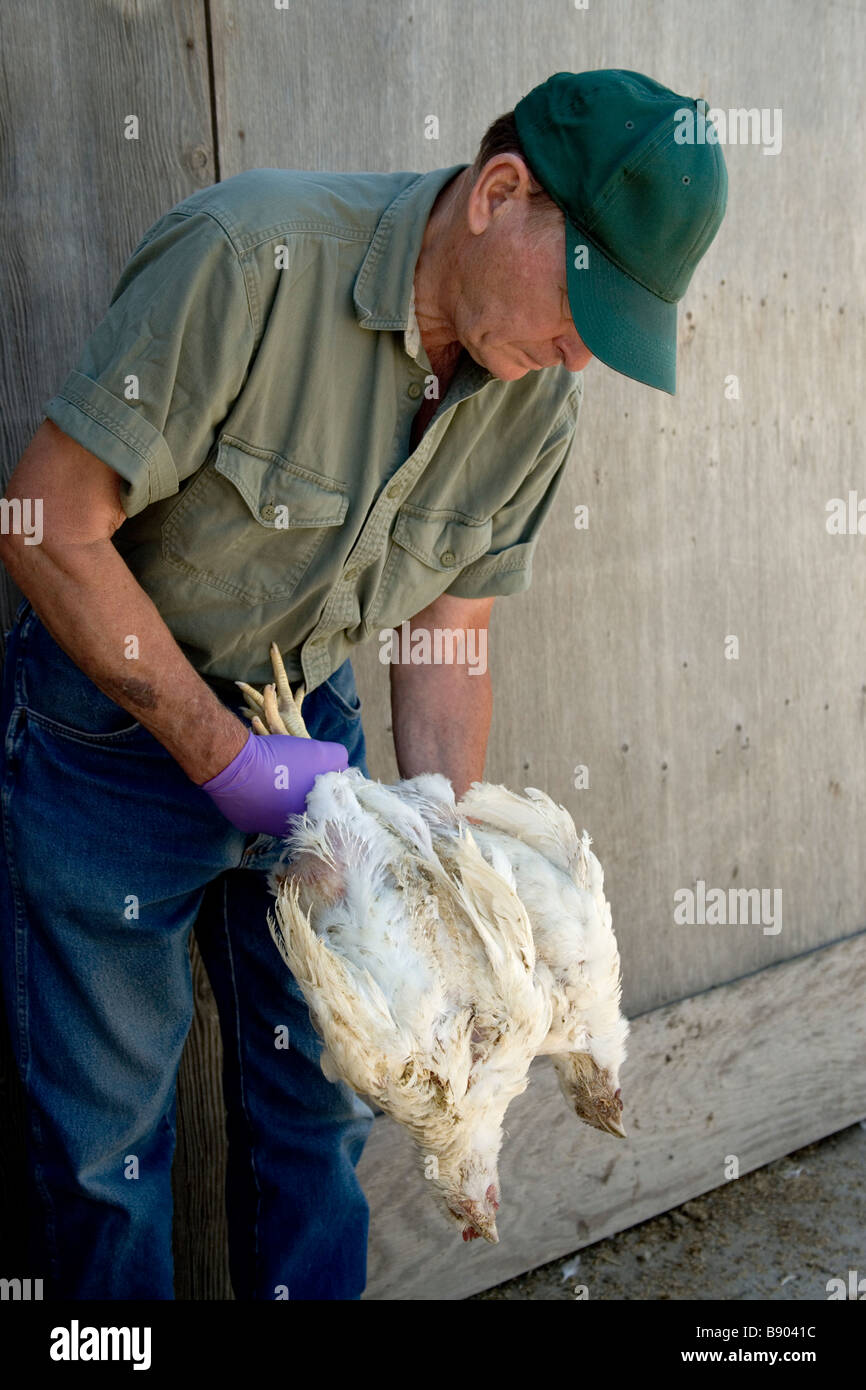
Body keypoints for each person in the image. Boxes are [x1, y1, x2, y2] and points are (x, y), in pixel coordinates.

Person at [0, 69, 727, 1299]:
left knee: (325, 1116)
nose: (581, 355)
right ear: (501, 194)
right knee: (103, 1148)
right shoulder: (247, 260)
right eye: (583, 307)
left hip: (304, 731)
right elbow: (41, 523)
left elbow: (450, 631)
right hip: (109, 741)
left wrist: (432, 854)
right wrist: (212, 753)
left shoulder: (533, 395)